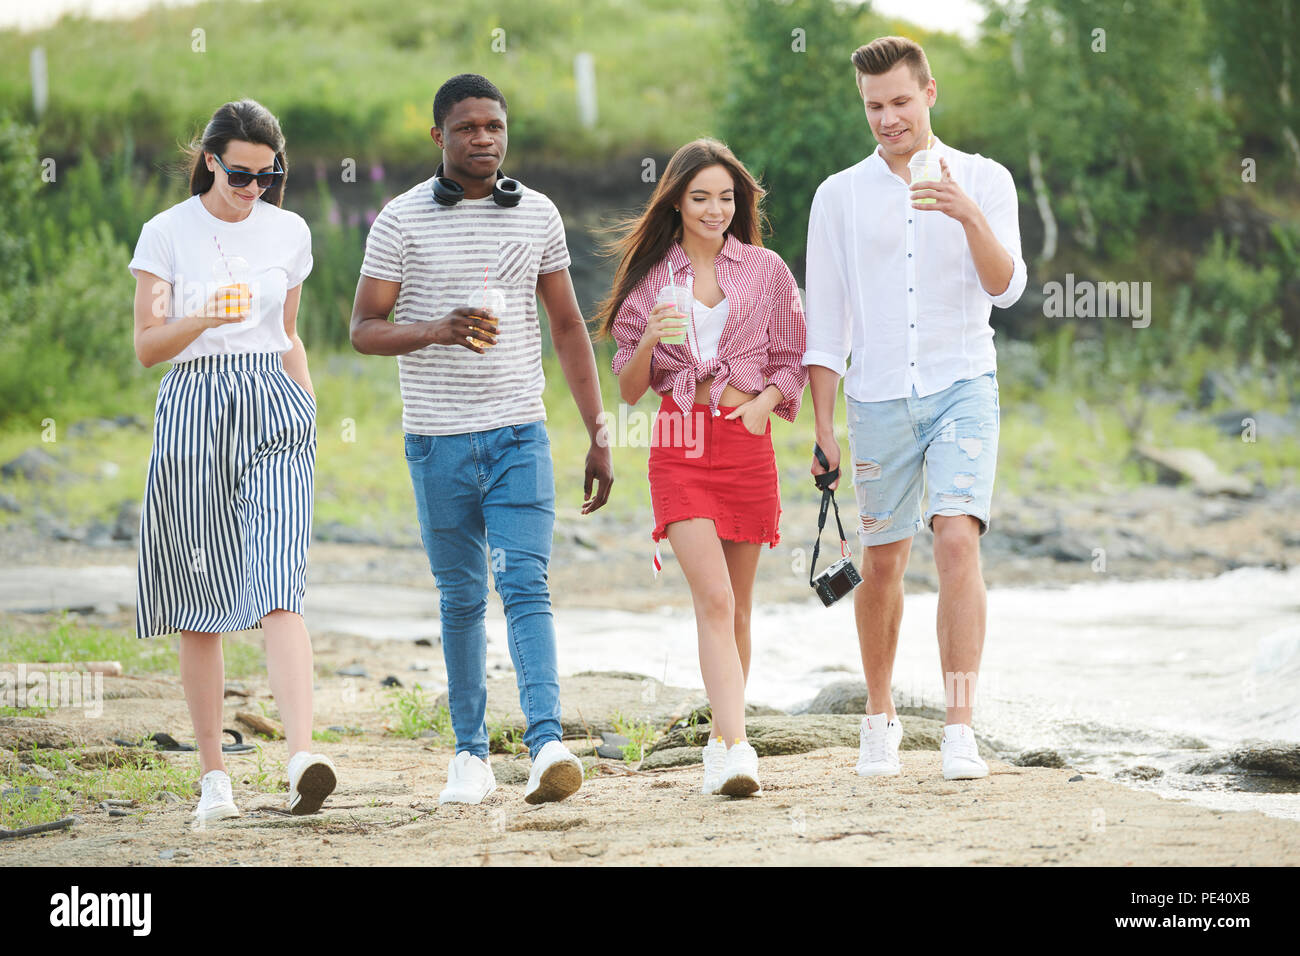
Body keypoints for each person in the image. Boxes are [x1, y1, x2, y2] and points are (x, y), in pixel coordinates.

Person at [350, 74, 613, 806]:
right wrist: (434, 328)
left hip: (519, 437)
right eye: (467, 127)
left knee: (525, 585)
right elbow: (362, 329)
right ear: (439, 136)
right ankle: (468, 754)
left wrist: (598, 433)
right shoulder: (400, 220)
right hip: (435, 443)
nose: (483, 139)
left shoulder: (537, 214)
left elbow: (566, 327)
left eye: (495, 126)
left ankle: (547, 743)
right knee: (462, 596)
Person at [804, 36, 1027, 780]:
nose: (888, 118)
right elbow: (827, 321)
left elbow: (1008, 287)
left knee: (958, 540)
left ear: (930, 93)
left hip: (963, 382)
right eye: (874, 106)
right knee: (883, 560)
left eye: (900, 101)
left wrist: (965, 213)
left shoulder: (987, 178)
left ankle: (959, 729)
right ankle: (879, 715)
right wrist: (823, 427)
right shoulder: (838, 195)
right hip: (875, 399)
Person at [130, 99, 337, 823]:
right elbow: (149, 345)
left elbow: (290, 333)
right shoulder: (166, 234)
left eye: (267, 175)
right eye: (241, 174)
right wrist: (204, 316)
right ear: (212, 161)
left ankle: (302, 757)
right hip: (194, 405)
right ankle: (214, 777)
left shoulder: (290, 231)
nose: (254, 188)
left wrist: (307, 411)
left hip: (275, 402)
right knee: (204, 599)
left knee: (281, 580)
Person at [599, 138, 808, 797]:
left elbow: (792, 358)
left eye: (726, 198)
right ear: (677, 202)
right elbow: (630, 387)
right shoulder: (652, 280)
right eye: (701, 198)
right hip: (681, 444)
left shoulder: (767, 270)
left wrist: (763, 406)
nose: (716, 209)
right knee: (713, 598)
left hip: (747, 447)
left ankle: (722, 742)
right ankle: (740, 748)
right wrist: (656, 341)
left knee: (739, 608)